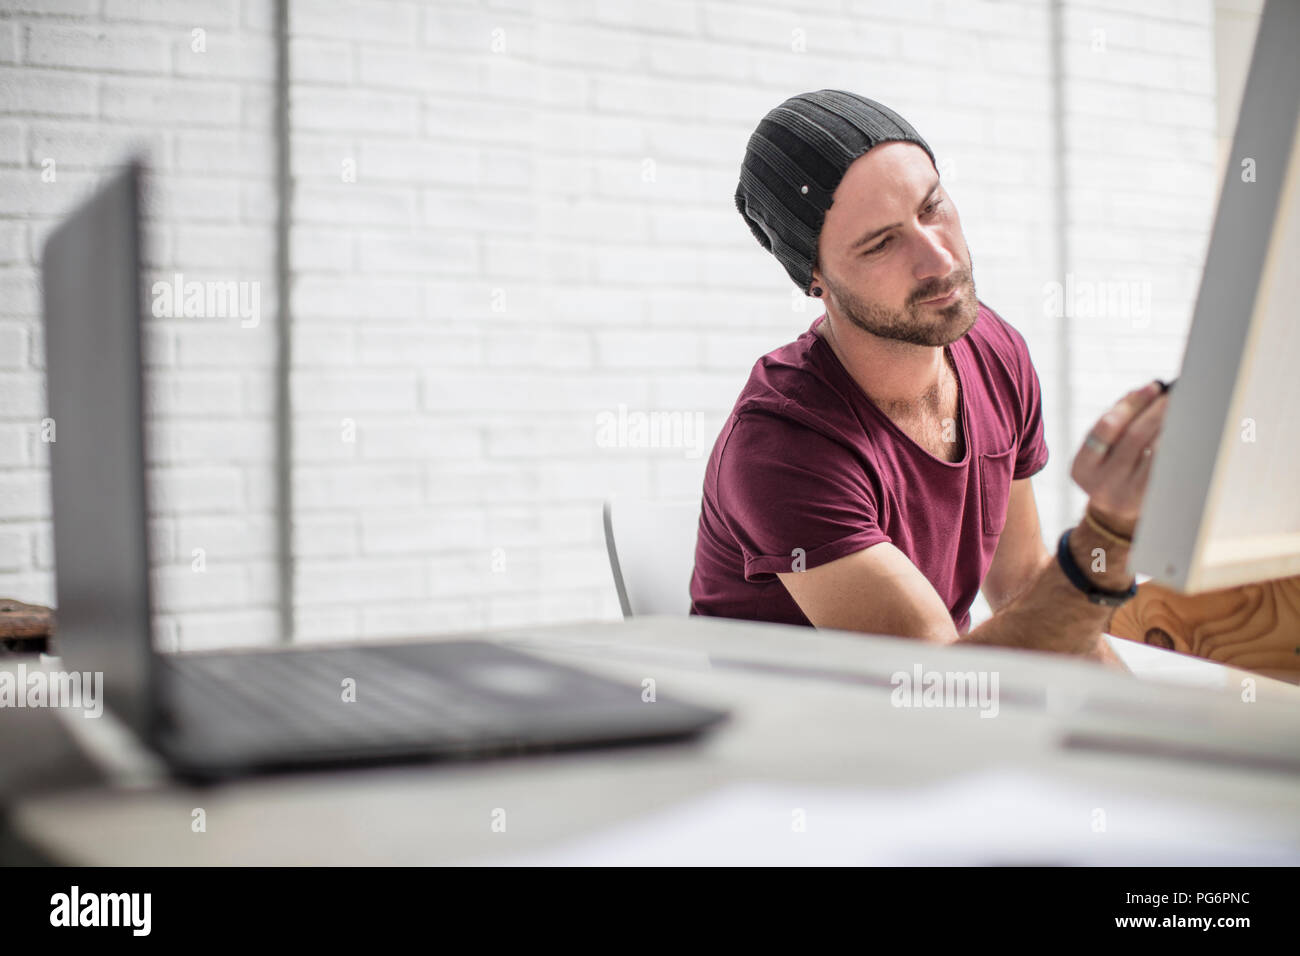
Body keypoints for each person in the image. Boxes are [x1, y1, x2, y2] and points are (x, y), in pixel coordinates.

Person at [689, 90, 1169, 668]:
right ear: (815, 277)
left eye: (931, 208)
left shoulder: (993, 351)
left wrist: (1148, 723)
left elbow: (1019, 583)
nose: (939, 260)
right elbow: (938, 687)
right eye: (881, 243)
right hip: (802, 743)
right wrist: (1108, 534)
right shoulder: (783, 445)